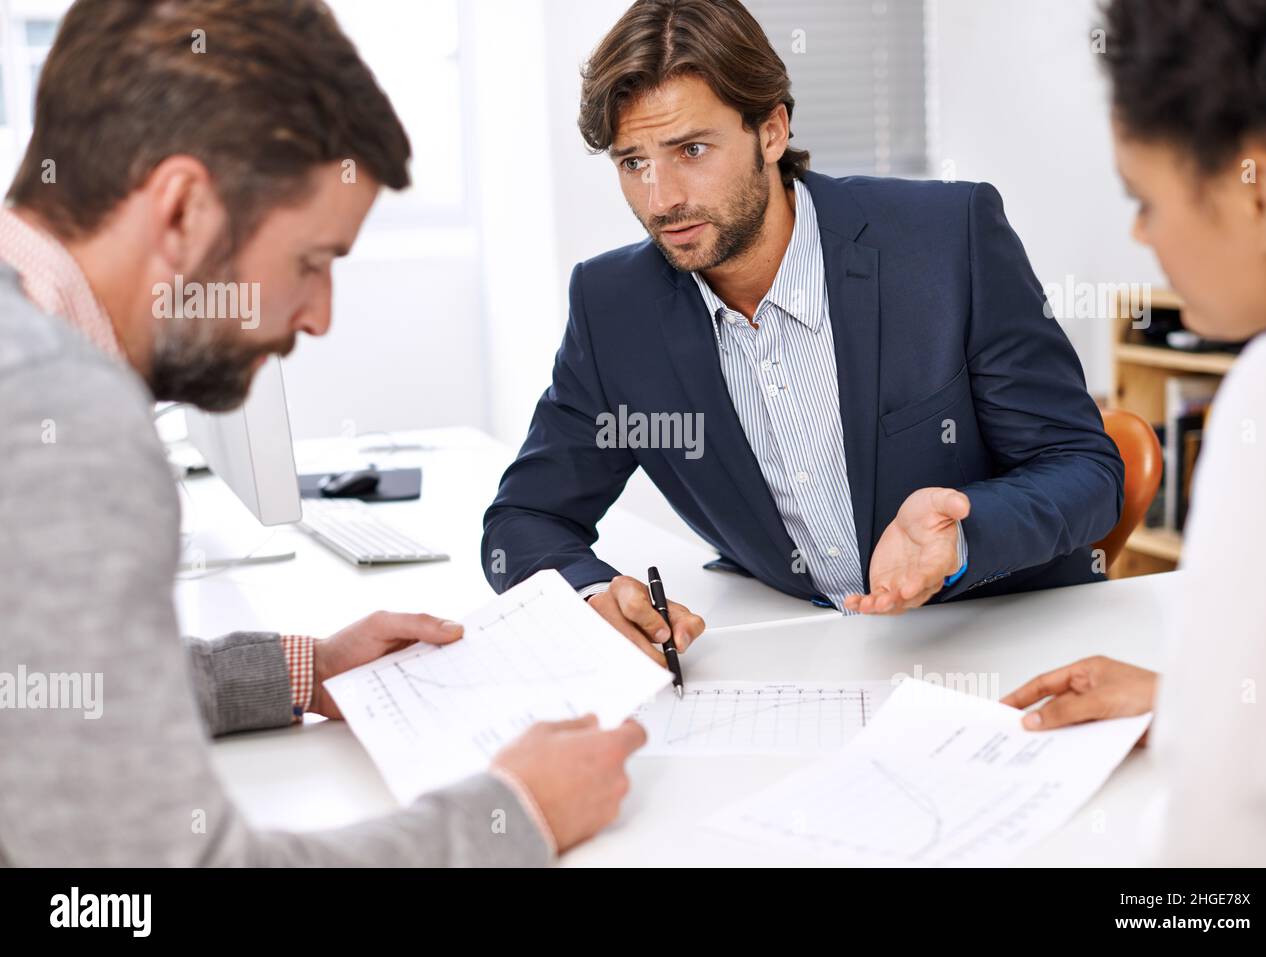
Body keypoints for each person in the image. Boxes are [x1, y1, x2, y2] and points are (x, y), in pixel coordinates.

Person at [0, 0, 643, 867]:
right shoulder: (65, 416)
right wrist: (514, 813)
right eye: (311, 263)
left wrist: (307, 668)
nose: (321, 317)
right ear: (183, 209)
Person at [482, 0, 1124, 665]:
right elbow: (524, 518)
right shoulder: (613, 308)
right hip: (808, 658)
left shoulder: (947, 241)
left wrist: (963, 535)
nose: (660, 198)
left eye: (691, 150)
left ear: (771, 131)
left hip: (1007, 644)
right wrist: (589, 594)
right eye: (631, 162)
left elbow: (1087, 470)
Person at [1002, 0, 1266, 865]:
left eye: (1145, 197)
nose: (1140, 233)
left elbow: (1221, 850)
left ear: (1262, 191)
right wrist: (1199, 700)